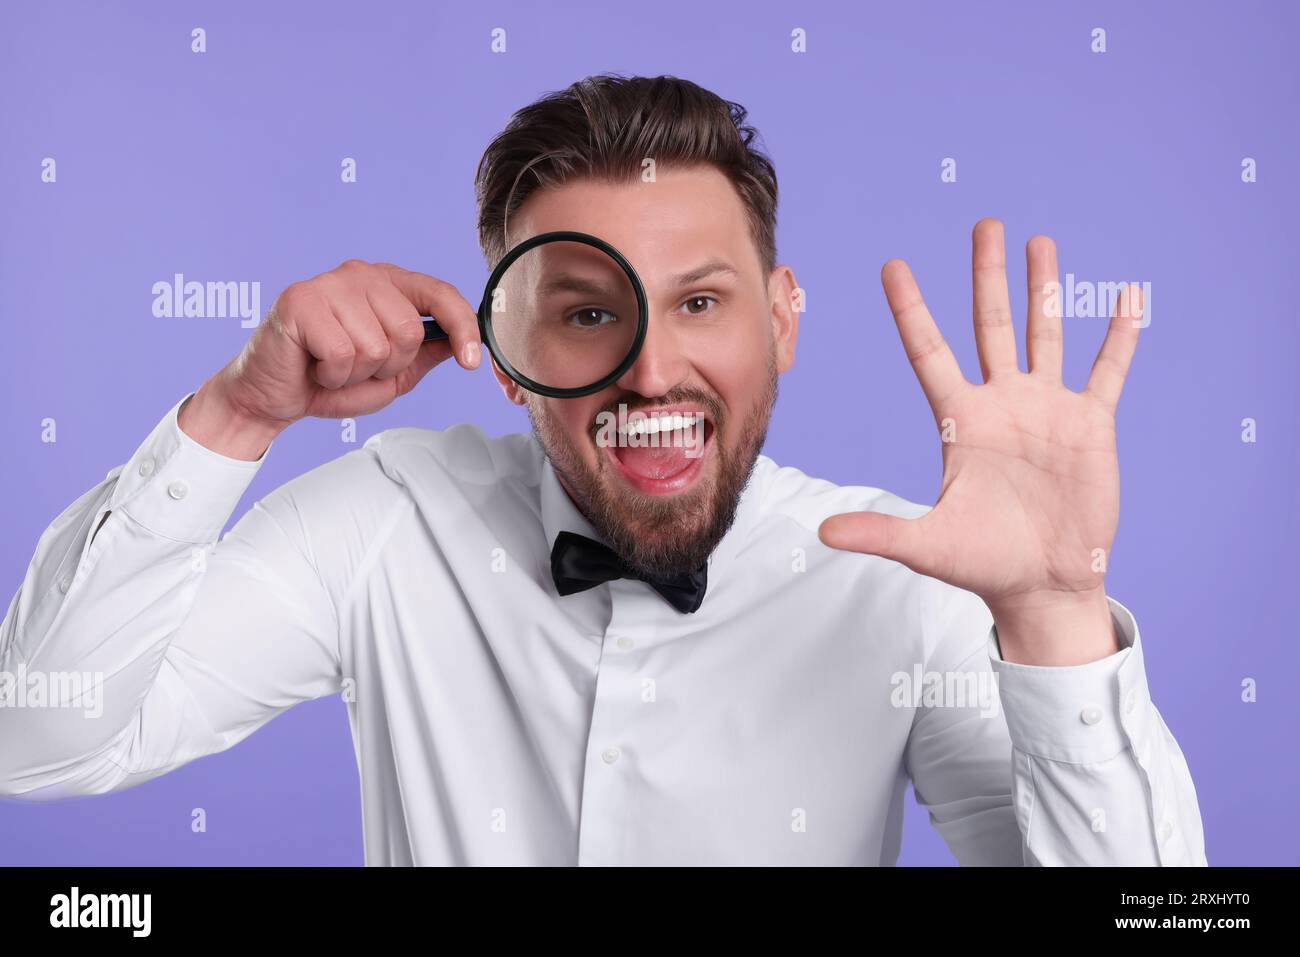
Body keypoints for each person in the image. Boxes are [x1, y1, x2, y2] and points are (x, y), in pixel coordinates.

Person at [0, 74, 1205, 866]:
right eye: (584, 314)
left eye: (700, 301)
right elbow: (38, 745)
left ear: (781, 323)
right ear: (507, 357)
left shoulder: (906, 584)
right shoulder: (385, 521)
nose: (649, 369)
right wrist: (235, 414)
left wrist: (1051, 616)